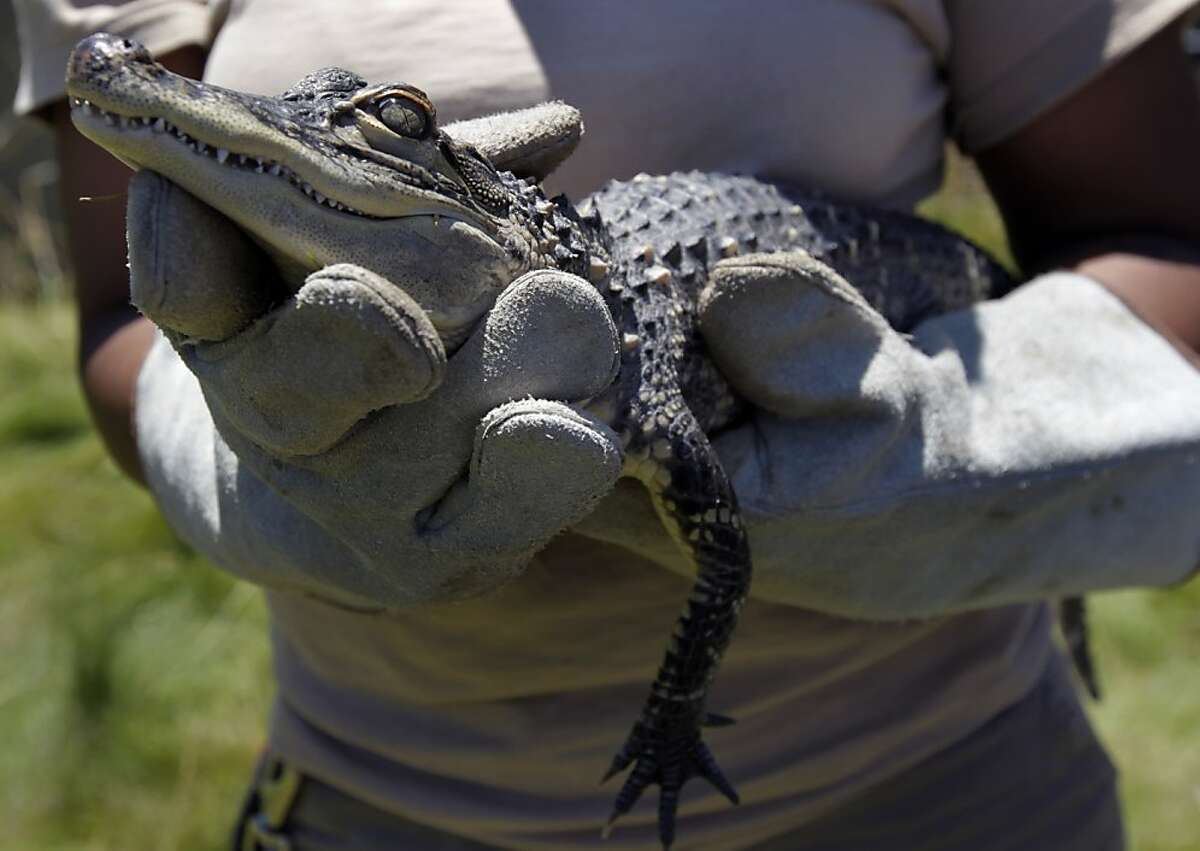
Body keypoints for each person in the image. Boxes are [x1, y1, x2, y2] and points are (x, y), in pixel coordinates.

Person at [13, 1, 1200, 849]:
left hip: (953, 787)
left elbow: (719, 550)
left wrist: (980, 444)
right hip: (370, 792)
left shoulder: (634, 381)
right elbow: (122, 313)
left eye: (384, 122)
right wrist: (229, 455)